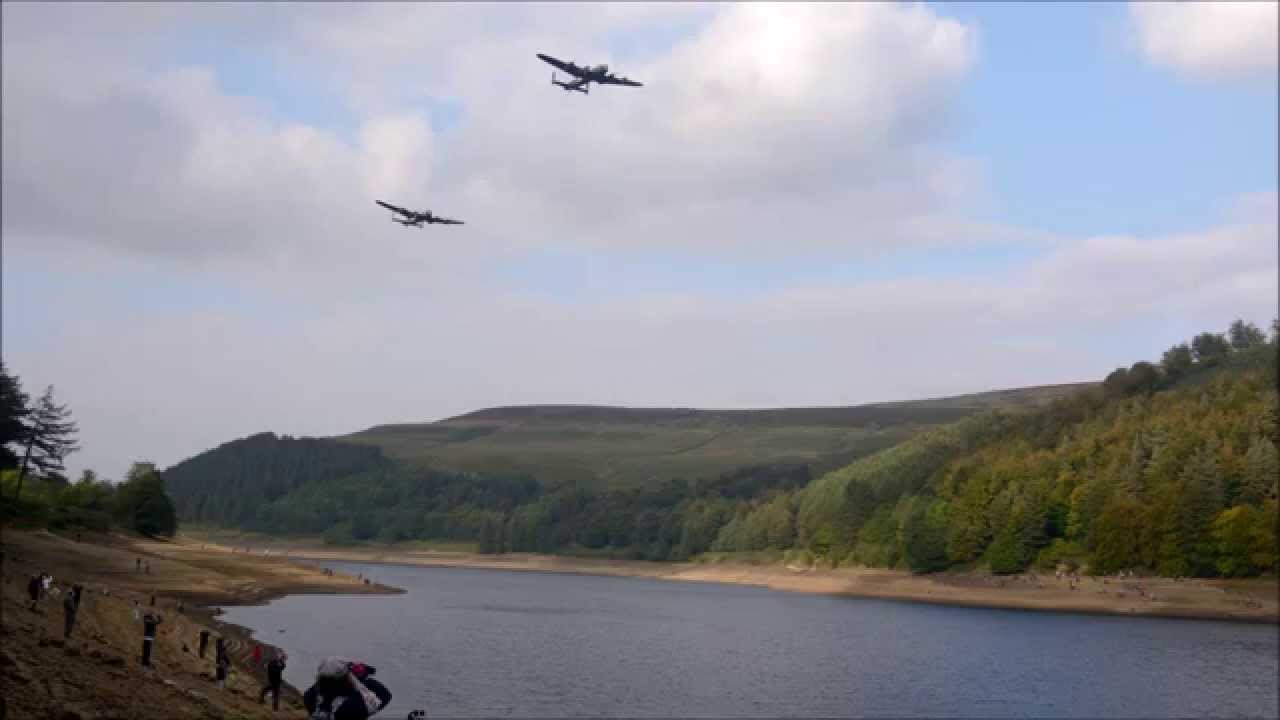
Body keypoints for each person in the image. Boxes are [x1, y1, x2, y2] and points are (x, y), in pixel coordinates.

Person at [303, 657, 392, 719]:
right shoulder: (348, 707)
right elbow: (385, 695)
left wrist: (335, 670)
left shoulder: (309, 697)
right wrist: (362, 678)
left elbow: (326, 683)